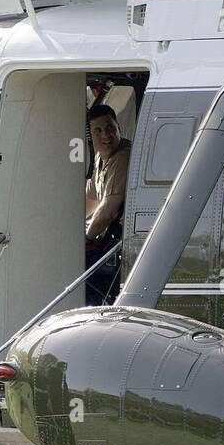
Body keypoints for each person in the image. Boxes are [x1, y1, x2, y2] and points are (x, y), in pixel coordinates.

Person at [84, 104, 132, 305]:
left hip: (120, 239)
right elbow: (91, 200)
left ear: (118, 127)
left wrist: (85, 237)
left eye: (110, 128)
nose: (106, 135)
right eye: (98, 130)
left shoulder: (123, 156)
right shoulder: (100, 158)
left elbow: (108, 210)